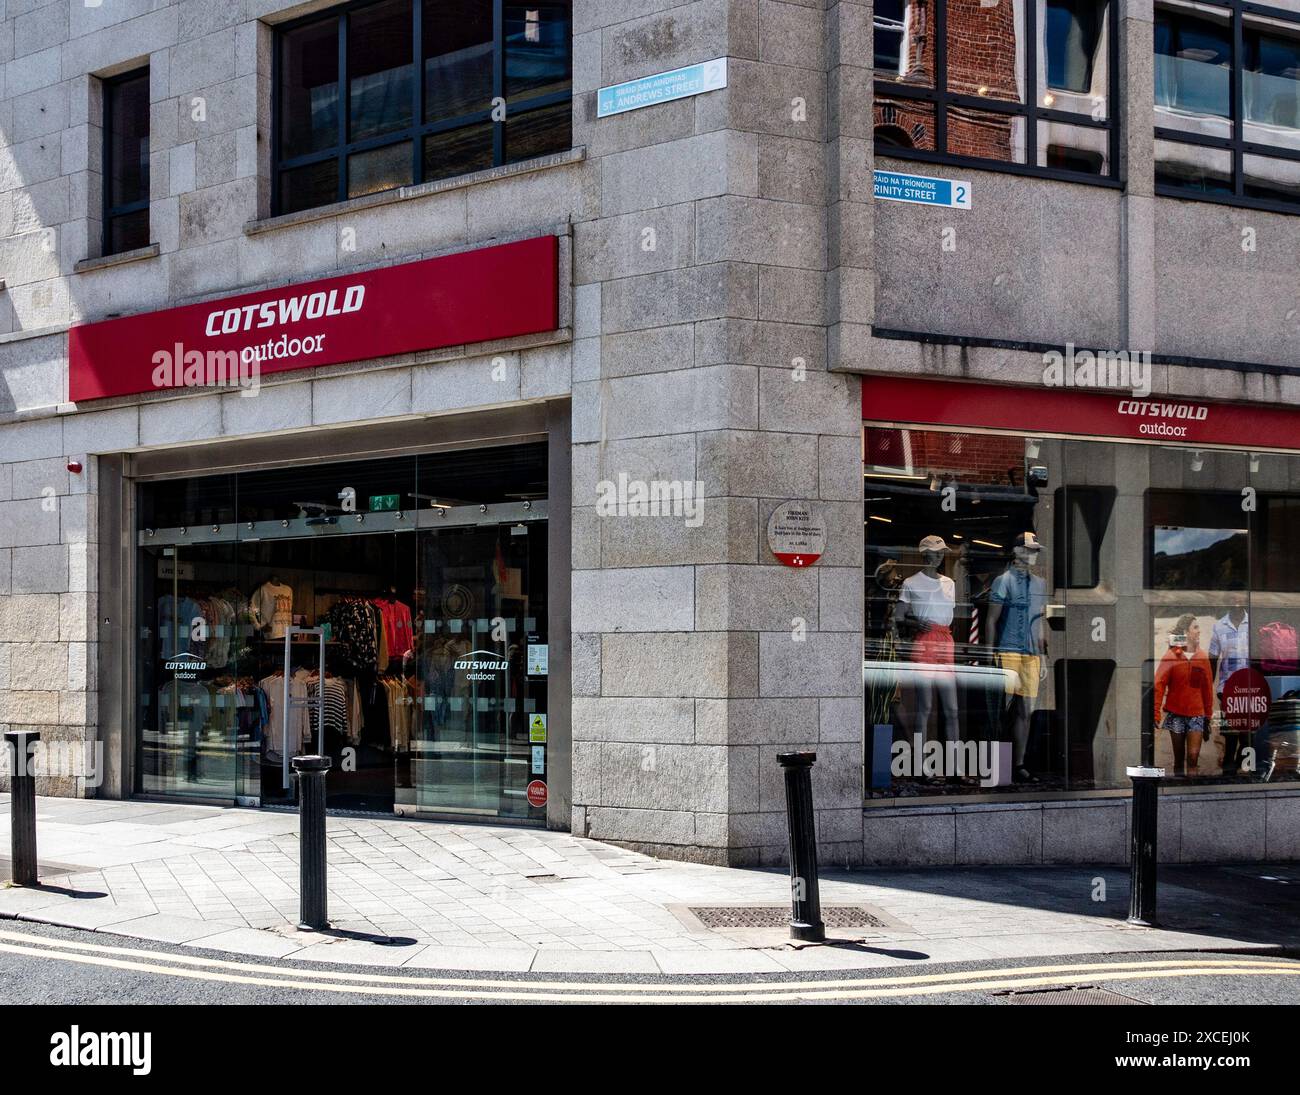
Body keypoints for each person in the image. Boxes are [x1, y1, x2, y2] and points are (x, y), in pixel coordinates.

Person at [1155, 613, 1214, 777]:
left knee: (1193, 757)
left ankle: (1192, 792)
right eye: (1195, 627)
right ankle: (1179, 790)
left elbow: (1207, 689)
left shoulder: (1202, 657)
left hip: (1197, 715)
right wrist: (1155, 713)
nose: (1199, 631)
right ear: (1186, 632)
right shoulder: (1171, 656)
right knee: (1179, 758)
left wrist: (1207, 716)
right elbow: (1158, 685)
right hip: (1176, 714)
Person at [1208, 605, 1250, 774]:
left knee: (1248, 735)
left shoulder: (1252, 624)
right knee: (1230, 734)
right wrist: (1207, 686)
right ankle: (1228, 771)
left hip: (1251, 689)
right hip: (1227, 688)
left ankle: (1246, 768)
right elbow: (1212, 658)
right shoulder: (1219, 626)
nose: (1237, 602)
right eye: (1233, 599)